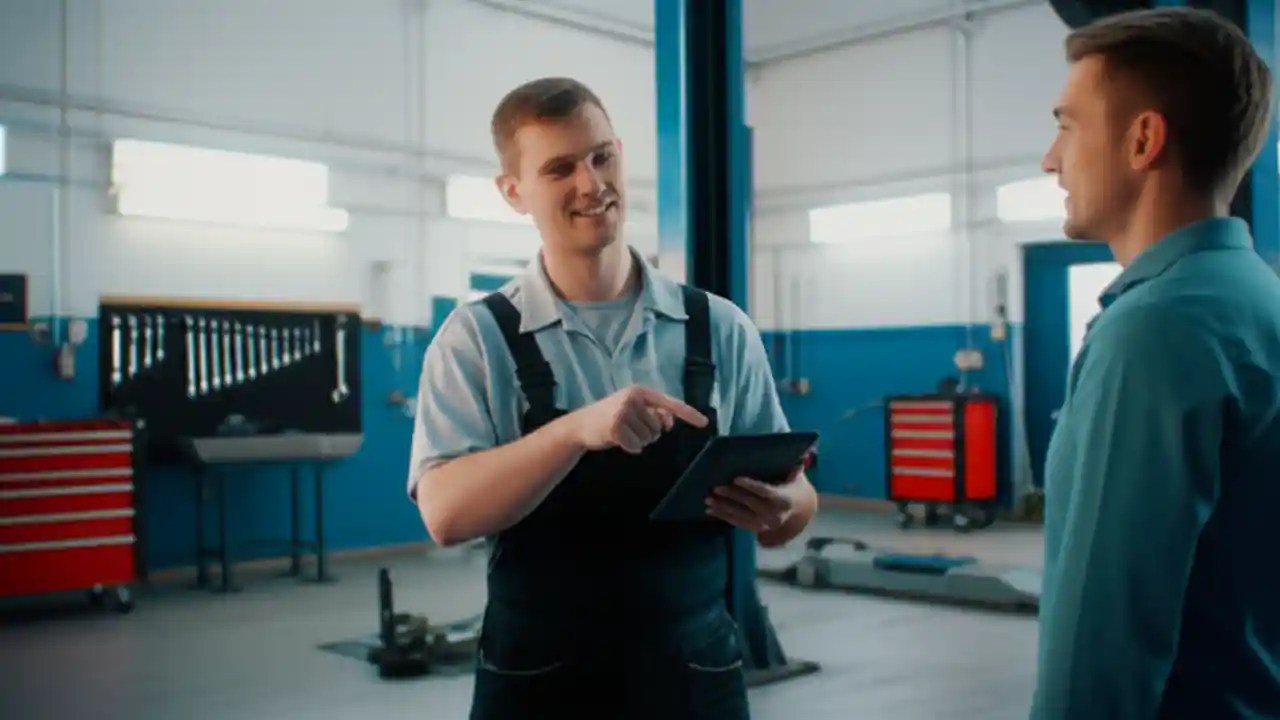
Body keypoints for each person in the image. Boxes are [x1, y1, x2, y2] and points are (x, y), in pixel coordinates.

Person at [406, 77, 818, 719]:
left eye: (602, 157)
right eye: (560, 168)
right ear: (514, 191)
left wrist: (782, 506)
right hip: (539, 687)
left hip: (696, 679)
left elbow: (796, 502)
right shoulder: (476, 339)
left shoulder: (718, 328)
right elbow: (445, 514)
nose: (591, 184)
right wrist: (573, 431)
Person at [1032, 8, 1280, 719]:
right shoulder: (1256, 301)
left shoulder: (1153, 331)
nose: (1051, 158)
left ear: (1143, 139)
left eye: (1067, 125)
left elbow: (1101, 640)